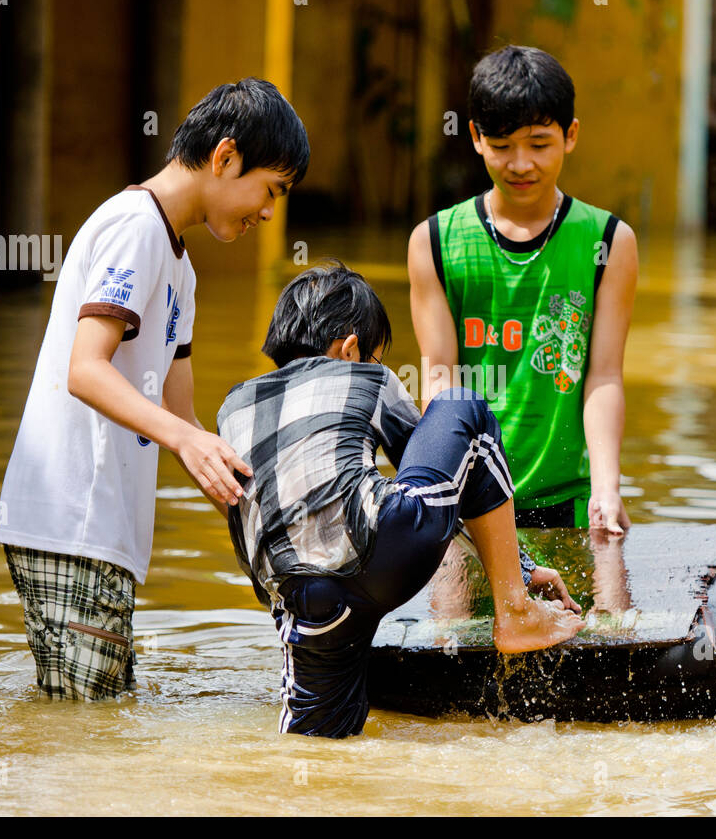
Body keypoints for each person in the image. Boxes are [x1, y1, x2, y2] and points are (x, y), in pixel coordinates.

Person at [0, 79, 309, 700]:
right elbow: (85, 368)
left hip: (101, 533)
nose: (269, 212)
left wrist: (265, 520)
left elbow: (181, 416)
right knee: (89, 734)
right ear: (224, 158)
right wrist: (184, 442)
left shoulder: (180, 267)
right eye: (270, 190)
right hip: (72, 519)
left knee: (92, 723)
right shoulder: (134, 225)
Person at [217, 261, 583, 738]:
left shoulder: (233, 407)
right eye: (373, 355)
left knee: (317, 748)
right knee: (459, 405)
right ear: (351, 347)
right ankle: (515, 614)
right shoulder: (366, 378)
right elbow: (449, 475)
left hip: (298, 601)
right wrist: (523, 567)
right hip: (378, 556)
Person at [408, 45, 639, 534]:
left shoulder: (608, 241)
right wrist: (443, 492)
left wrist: (607, 488)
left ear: (570, 136)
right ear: (474, 137)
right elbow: (439, 380)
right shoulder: (434, 241)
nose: (520, 164)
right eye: (502, 144)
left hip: (567, 503)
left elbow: (603, 377)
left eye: (539, 144)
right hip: (468, 502)